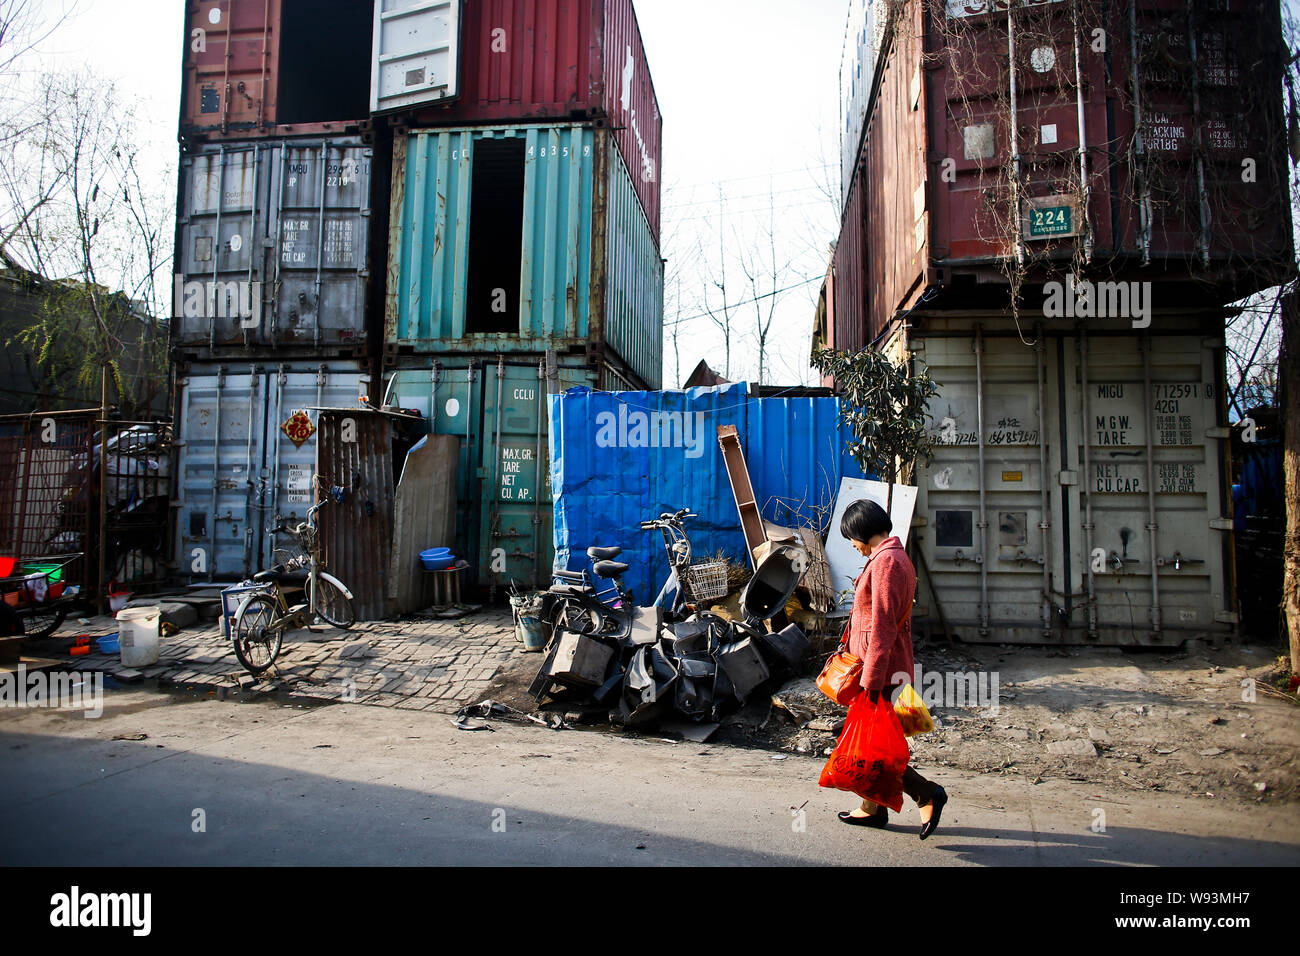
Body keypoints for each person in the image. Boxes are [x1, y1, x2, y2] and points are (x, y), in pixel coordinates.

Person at [835, 498, 948, 839]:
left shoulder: (887, 563)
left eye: (851, 538)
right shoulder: (890, 558)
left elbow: (883, 626)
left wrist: (870, 681)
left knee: (873, 747)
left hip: (881, 671)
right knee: (873, 744)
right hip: (881, 666)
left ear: (862, 531)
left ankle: (926, 792)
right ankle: (872, 808)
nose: (853, 546)